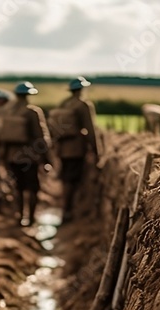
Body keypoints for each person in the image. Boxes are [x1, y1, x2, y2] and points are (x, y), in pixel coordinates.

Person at [0, 81, 51, 227]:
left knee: (18, 187)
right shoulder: (32, 112)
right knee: (32, 188)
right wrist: (46, 158)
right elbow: (40, 137)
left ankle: (20, 216)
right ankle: (31, 219)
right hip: (29, 157)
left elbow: (1, 137)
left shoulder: (8, 111)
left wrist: (2, 157)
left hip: (11, 157)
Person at [49, 76, 100, 224]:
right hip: (76, 149)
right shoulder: (83, 105)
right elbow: (90, 130)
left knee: (66, 179)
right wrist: (97, 150)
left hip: (62, 148)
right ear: (82, 89)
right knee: (73, 180)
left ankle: (66, 208)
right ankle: (68, 211)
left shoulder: (64, 103)